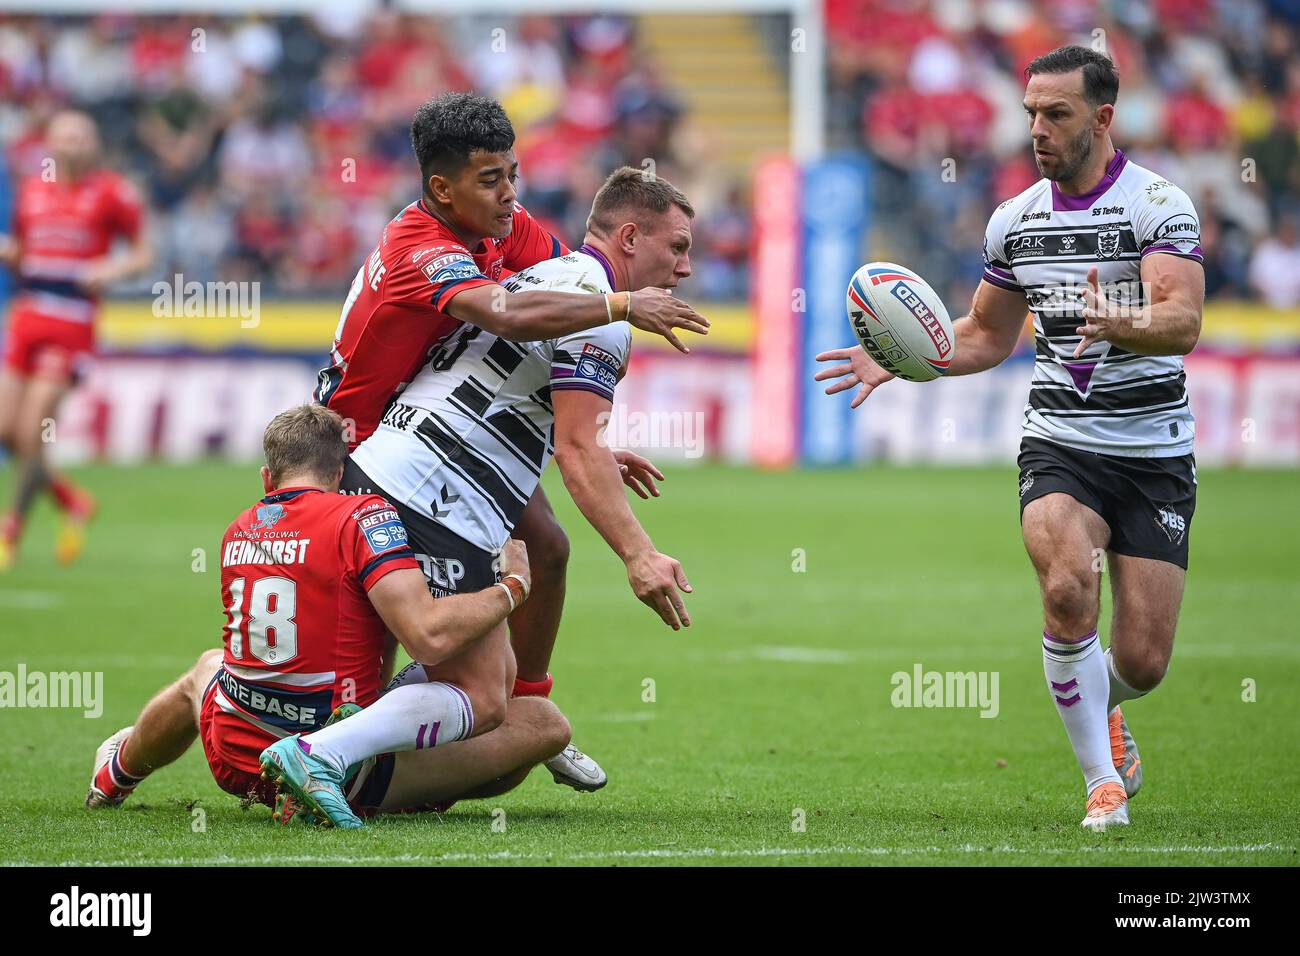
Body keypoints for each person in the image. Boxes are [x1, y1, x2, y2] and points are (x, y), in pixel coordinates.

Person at [816, 46, 1205, 831]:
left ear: (1101, 118)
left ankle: (1110, 703)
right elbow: (987, 336)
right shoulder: (1013, 221)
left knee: (1143, 662)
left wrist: (1125, 320)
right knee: (1066, 587)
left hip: (1154, 449)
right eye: (1030, 112)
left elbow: (1184, 318)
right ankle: (1102, 785)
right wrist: (904, 356)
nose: (1036, 128)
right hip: (1059, 441)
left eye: (1055, 114)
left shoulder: (1160, 205)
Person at [272, 166, 697, 826]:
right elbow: (578, 451)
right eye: (677, 247)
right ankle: (323, 757)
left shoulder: (539, 280)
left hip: (379, 466)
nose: (687, 267)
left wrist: (593, 450)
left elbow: (516, 397)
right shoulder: (605, 316)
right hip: (434, 491)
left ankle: (336, 743)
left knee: (546, 551)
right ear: (632, 236)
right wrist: (639, 555)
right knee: (489, 708)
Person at [86, 404, 568, 829]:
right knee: (541, 723)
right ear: (340, 475)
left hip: (234, 753)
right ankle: (348, 779)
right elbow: (430, 636)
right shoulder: (362, 517)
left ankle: (118, 772)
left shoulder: (239, 529)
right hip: (341, 763)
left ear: (266, 478)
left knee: (205, 670)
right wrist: (512, 588)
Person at [0, 110, 151, 569]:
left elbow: (144, 253)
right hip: (27, 316)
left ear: (94, 144)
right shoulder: (31, 191)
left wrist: (111, 268)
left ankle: (11, 529)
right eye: (64, 137)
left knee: (31, 431)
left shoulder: (113, 192)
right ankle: (72, 502)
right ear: (50, 142)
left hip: (72, 324)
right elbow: (24, 252)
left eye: (81, 137)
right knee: (8, 430)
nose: (73, 145)